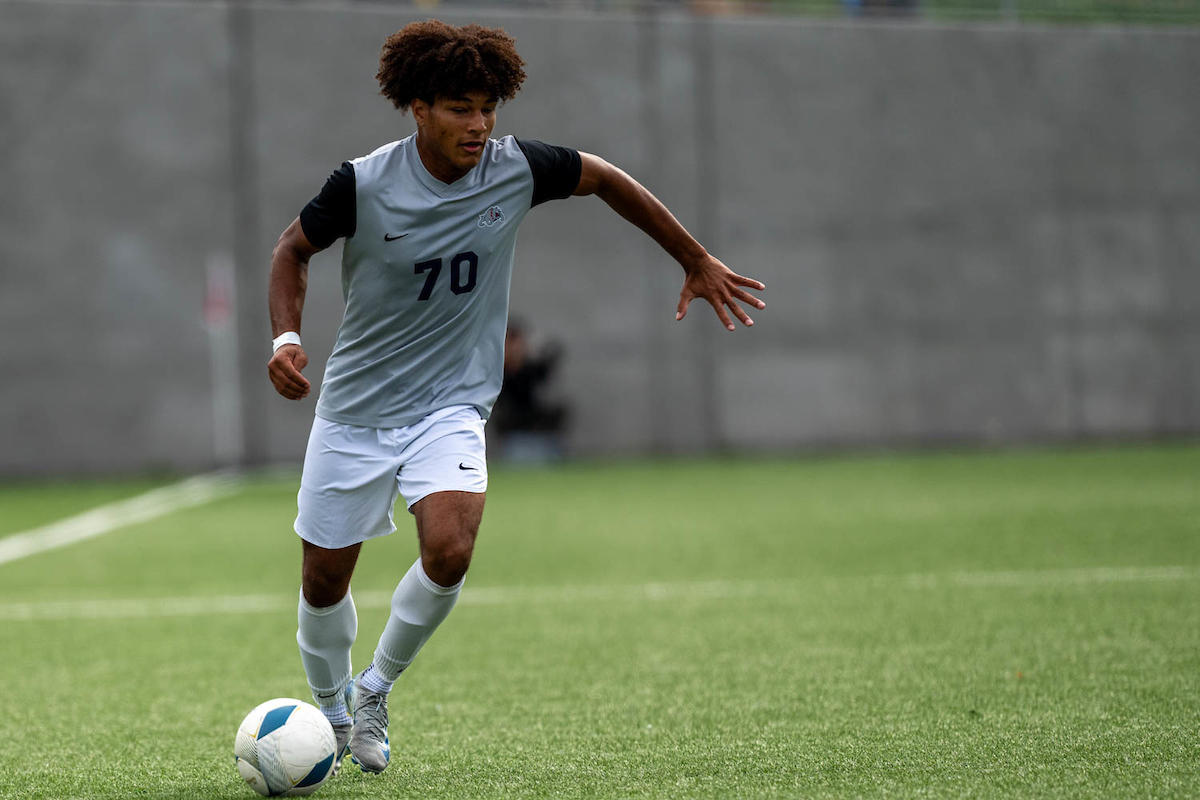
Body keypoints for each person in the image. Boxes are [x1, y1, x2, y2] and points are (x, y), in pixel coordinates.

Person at [266, 20, 765, 777]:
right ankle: (330, 709)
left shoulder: (516, 169)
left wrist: (693, 259)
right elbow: (291, 249)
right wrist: (285, 339)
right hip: (357, 410)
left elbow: (605, 177)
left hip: (450, 404)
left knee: (450, 550)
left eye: (488, 108)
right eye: (460, 109)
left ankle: (374, 691)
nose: (479, 125)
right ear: (419, 109)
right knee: (323, 579)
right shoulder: (362, 184)